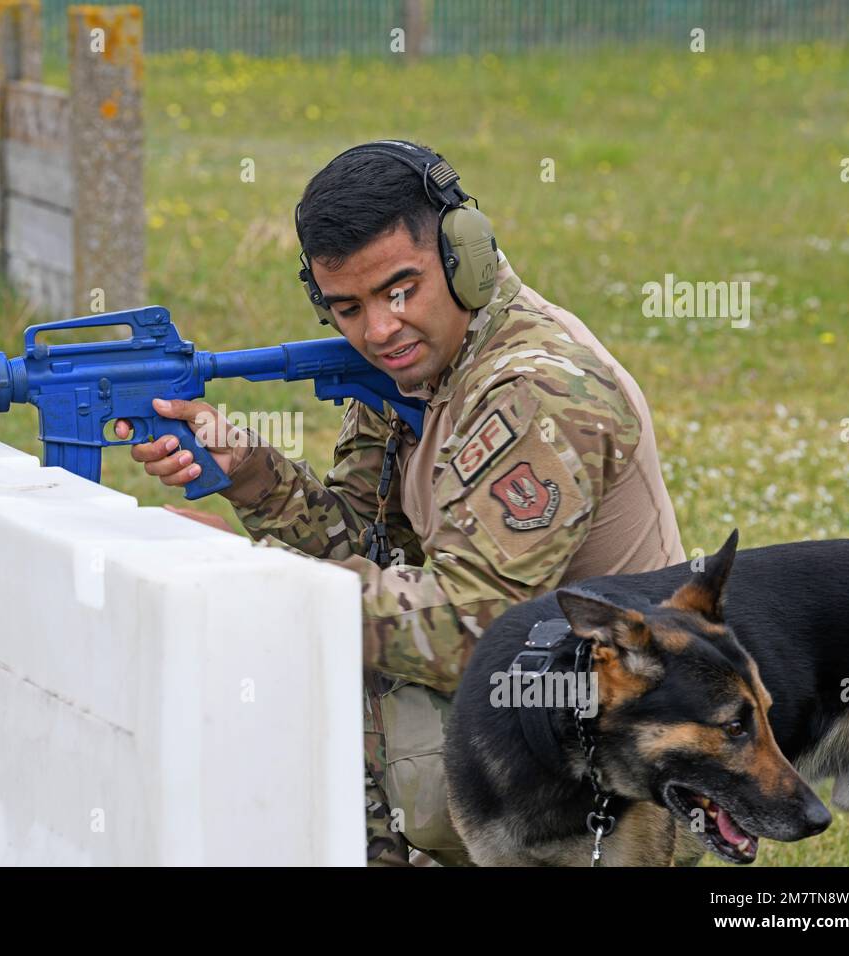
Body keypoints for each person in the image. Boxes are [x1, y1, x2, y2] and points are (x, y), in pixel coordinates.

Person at [114, 140, 686, 865]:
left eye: (400, 289)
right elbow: (364, 547)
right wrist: (251, 474)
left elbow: (473, 633)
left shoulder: (540, 390)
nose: (378, 329)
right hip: (537, 706)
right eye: (347, 307)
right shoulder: (415, 365)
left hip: (627, 750)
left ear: (464, 257)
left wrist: (246, 576)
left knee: (285, 684)